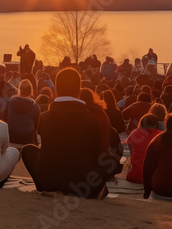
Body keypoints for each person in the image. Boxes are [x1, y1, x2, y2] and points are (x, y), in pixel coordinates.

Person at [21, 68, 110, 199]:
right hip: (81, 185)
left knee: (28, 150)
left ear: (56, 89)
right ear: (79, 90)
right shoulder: (90, 119)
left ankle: (47, 183)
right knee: (108, 159)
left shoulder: (44, 117)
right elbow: (98, 154)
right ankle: (96, 191)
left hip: (47, 182)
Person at [125, 114, 162, 184]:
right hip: (153, 178)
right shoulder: (160, 136)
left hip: (134, 176)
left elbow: (132, 155)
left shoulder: (134, 133)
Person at [4, 79, 39, 144]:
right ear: (31, 91)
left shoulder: (9, 103)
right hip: (27, 140)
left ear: (19, 90)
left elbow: (4, 119)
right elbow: (36, 126)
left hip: (11, 137)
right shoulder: (35, 107)